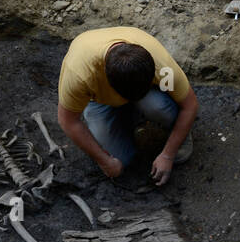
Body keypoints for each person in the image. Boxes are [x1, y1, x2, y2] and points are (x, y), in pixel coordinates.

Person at [56, 26, 197, 186]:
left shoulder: (161, 66)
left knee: (158, 106)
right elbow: (68, 121)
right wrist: (104, 161)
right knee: (120, 160)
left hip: (148, 93)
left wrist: (168, 155)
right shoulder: (80, 75)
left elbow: (190, 105)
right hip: (100, 101)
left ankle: (168, 125)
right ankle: (125, 119)